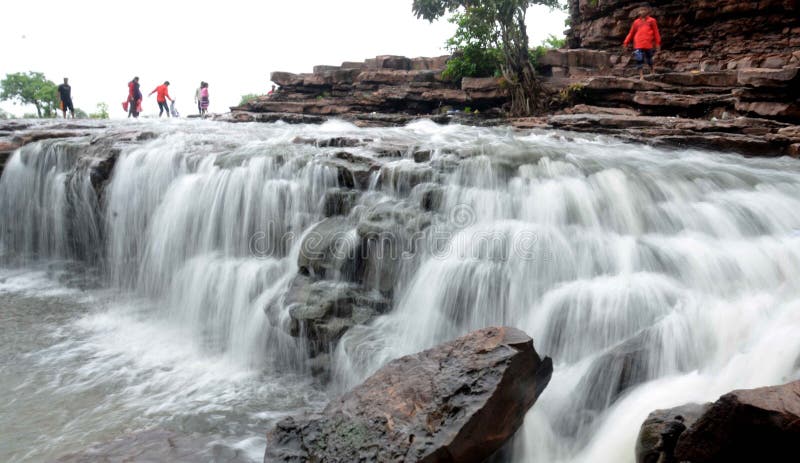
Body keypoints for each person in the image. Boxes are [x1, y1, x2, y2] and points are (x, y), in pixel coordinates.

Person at [622, 6, 662, 80]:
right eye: (641, 10)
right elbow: (631, 33)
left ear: (648, 11)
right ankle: (641, 76)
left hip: (648, 44)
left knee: (649, 59)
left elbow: (656, 33)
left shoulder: (652, 20)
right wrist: (625, 43)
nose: (642, 12)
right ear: (638, 12)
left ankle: (652, 71)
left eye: (644, 10)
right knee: (639, 59)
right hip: (638, 44)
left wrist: (658, 44)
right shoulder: (636, 22)